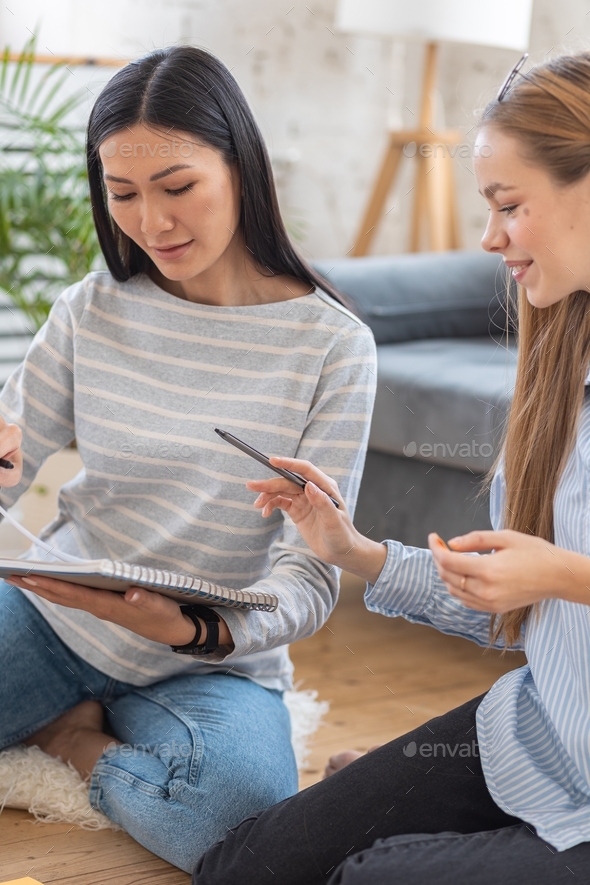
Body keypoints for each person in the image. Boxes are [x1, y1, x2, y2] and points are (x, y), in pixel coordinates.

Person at [191, 51, 590, 885]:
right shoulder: (560, 375)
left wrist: (566, 574)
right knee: (241, 868)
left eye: (509, 205)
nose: (489, 239)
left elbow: (553, 582)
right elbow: (514, 611)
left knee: (368, 877)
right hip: (541, 734)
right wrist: (357, 553)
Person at [0, 46, 376, 872]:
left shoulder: (333, 348)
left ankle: (71, 741)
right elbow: (13, 469)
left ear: (241, 166)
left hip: (216, 659)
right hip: (57, 617)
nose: (152, 223)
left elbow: (311, 574)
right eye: (122, 194)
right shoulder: (90, 311)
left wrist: (202, 628)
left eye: (178, 188)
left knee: (236, 822)